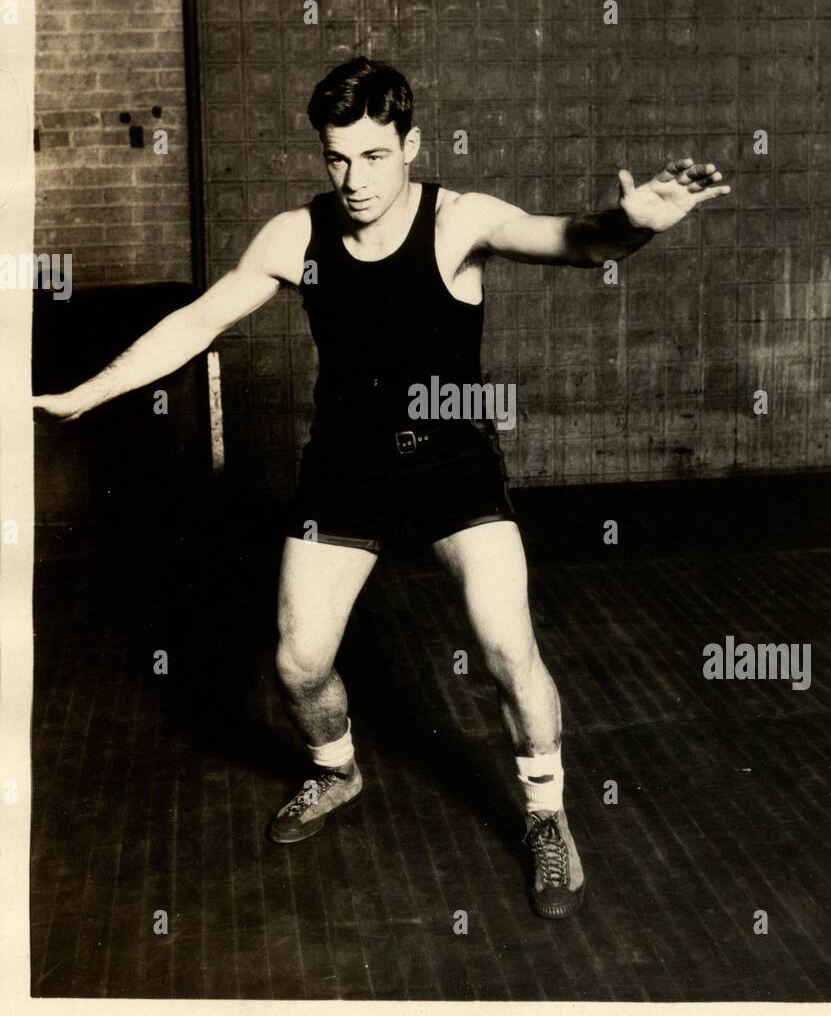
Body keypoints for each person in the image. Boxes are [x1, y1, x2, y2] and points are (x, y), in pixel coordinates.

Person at [34, 56, 731, 919]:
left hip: (450, 460)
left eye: (372, 156)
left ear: (409, 143)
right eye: (337, 158)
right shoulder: (297, 236)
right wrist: (90, 394)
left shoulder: (460, 219)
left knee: (508, 649)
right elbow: (199, 320)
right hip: (348, 464)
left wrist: (633, 227)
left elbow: (574, 240)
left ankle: (546, 815)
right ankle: (336, 771)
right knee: (297, 661)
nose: (354, 178)